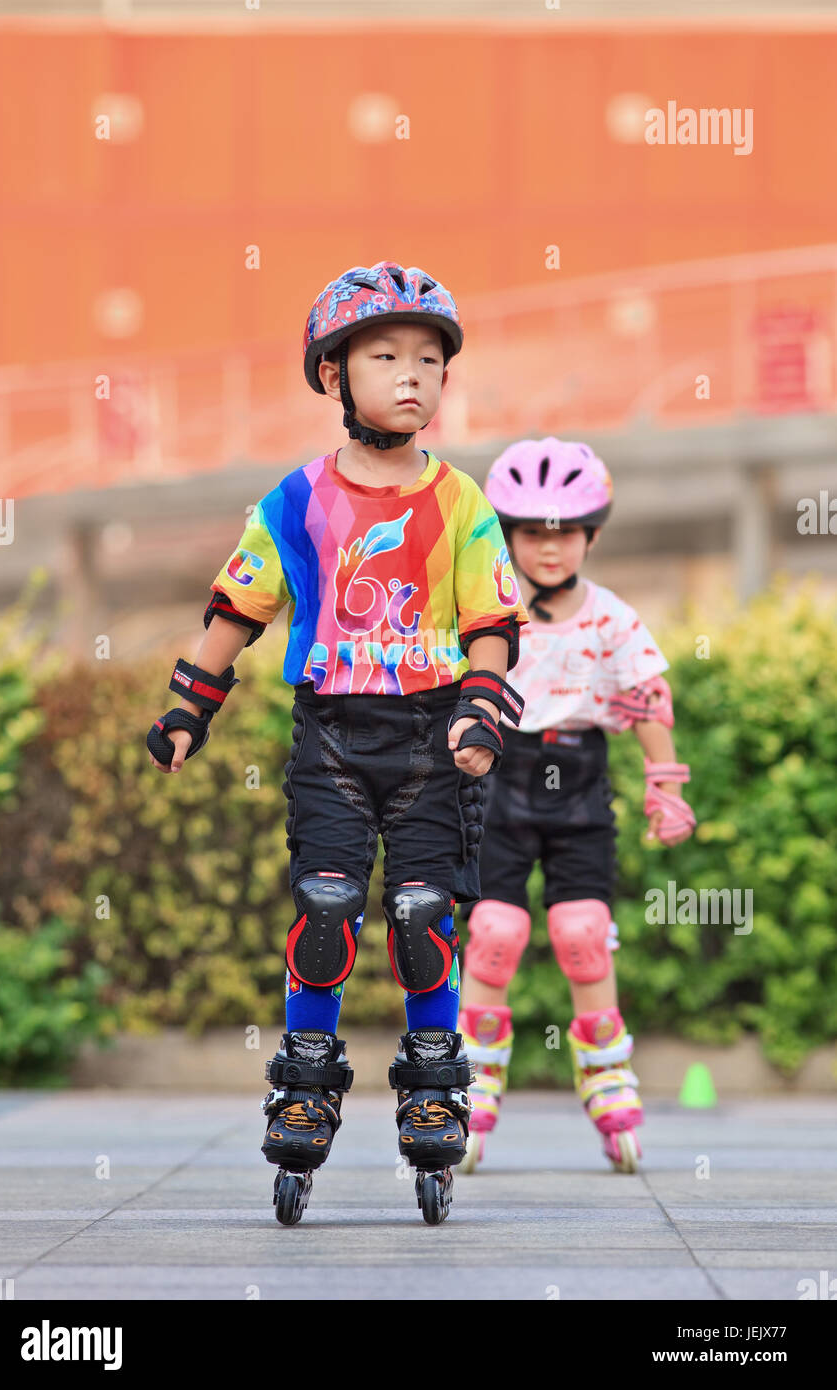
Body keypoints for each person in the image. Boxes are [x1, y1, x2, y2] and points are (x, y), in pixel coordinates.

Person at [147, 261, 528, 1223]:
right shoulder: (297, 500)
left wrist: (482, 707)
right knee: (325, 908)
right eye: (387, 356)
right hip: (331, 737)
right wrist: (190, 706)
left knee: (419, 912)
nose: (413, 375)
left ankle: (438, 1081)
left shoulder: (463, 502)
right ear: (333, 376)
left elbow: (491, 619)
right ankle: (307, 1078)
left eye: (430, 360)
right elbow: (238, 606)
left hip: (434, 735)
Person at [457, 437, 696, 1174]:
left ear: (591, 534)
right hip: (500, 773)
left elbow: (650, 697)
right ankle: (465, 1084)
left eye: (564, 531)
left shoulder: (612, 618)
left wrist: (666, 784)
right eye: (532, 531)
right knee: (494, 931)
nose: (549, 547)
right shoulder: (489, 613)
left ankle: (605, 1074)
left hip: (581, 779)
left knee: (583, 931)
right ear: (508, 535)